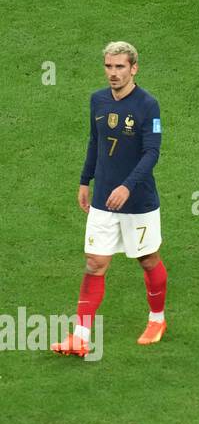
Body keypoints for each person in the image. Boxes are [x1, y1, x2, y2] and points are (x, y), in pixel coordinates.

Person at [53, 43, 168, 357]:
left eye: (120, 67)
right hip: (103, 199)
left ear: (134, 68)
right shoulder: (98, 100)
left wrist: (128, 186)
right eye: (108, 67)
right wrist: (84, 180)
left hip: (139, 202)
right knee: (94, 263)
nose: (113, 74)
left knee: (147, 260)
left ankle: (157, 320)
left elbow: (152, 152)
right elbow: (95, 141)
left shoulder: (148, 105)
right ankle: (80, 336)